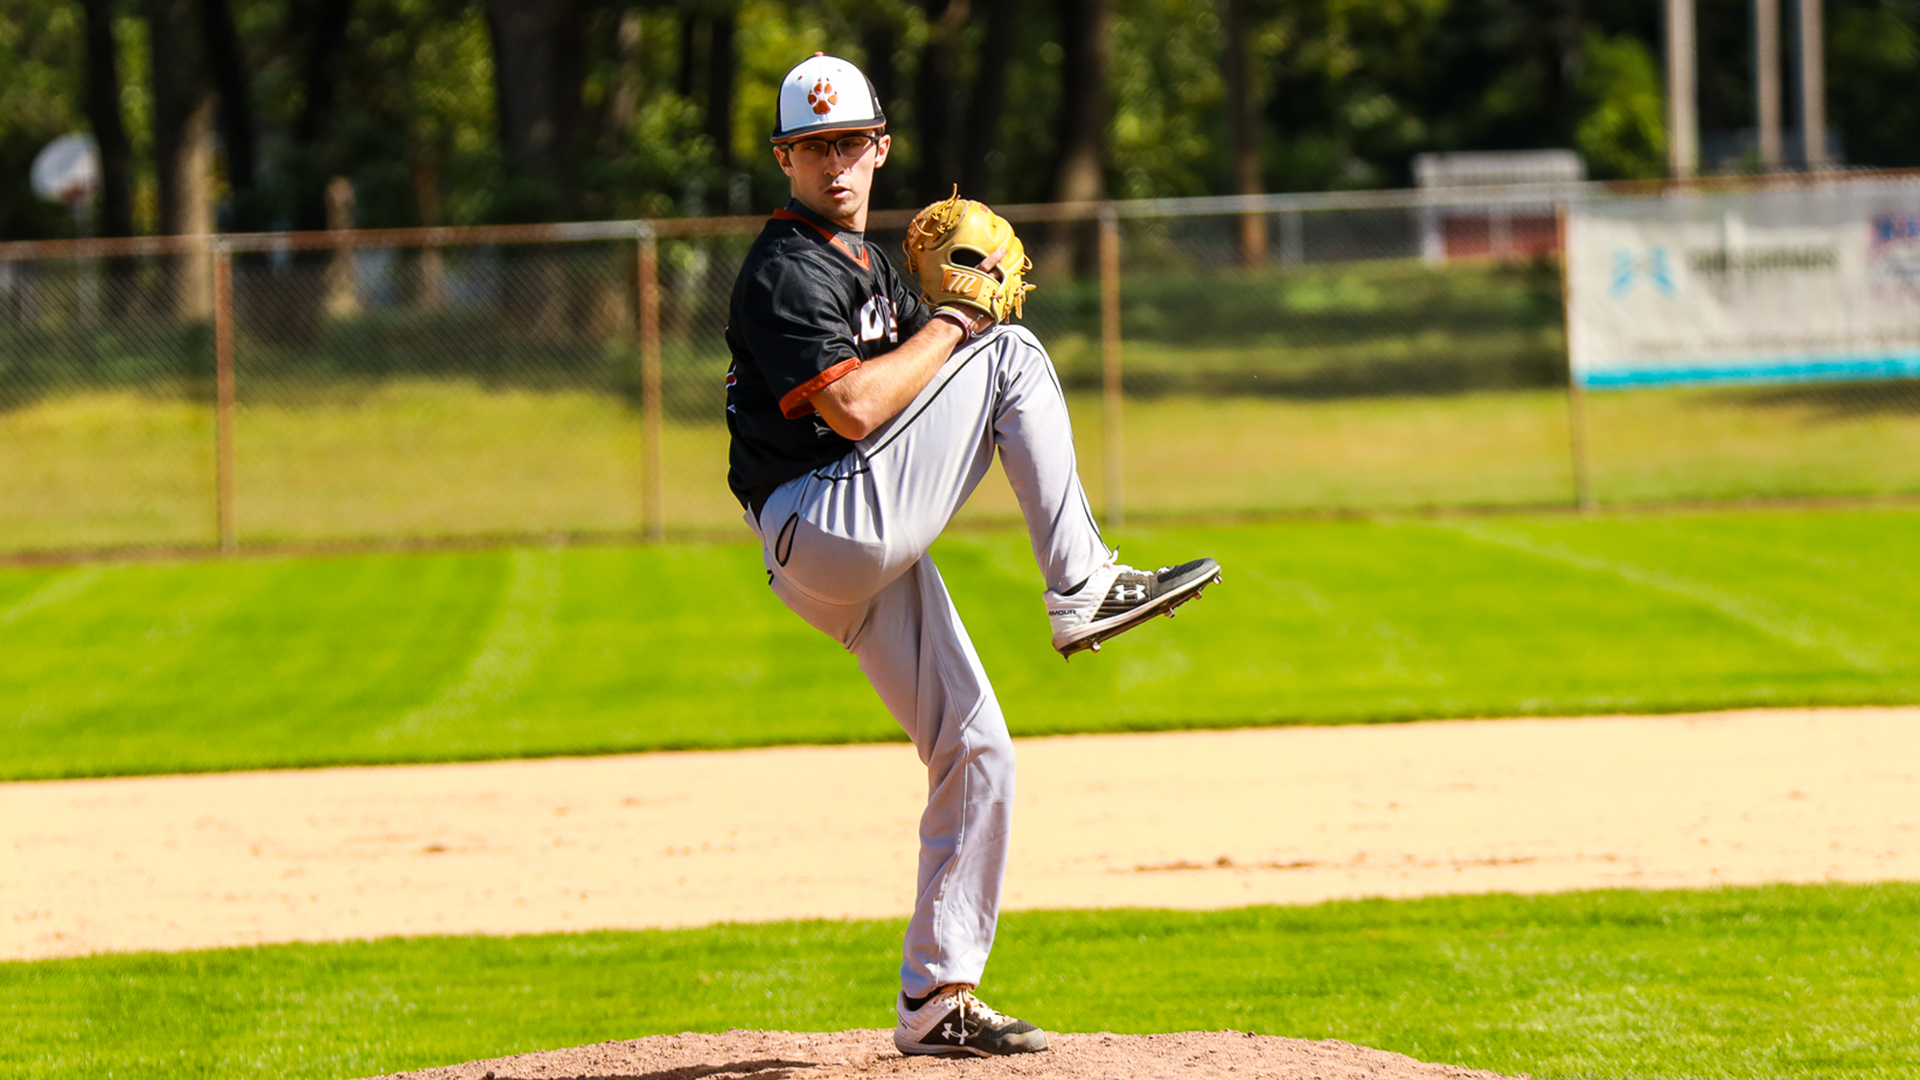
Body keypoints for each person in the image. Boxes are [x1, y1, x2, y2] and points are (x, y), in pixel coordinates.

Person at [723, 53, 1222, 1057]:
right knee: (1012, 354)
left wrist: (943, 323)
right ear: (786, 158)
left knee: (977, 747)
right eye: (814, 147)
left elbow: (918, 387)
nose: (837, 164)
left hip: (855, 542)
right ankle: (1082, 588)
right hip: (821, 518)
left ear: (881, 148)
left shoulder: (867, 268)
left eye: (852, 143)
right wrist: (960, 316)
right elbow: (859, 408)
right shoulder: (784, 269)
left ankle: (936, 998)